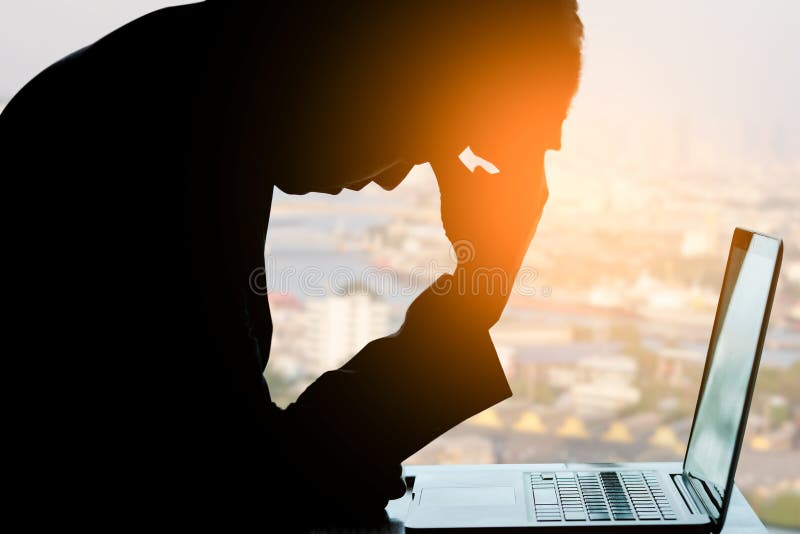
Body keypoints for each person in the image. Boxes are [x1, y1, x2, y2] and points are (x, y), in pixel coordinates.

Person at [1, 0, 582, 526]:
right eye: (433, 132)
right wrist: (474, 298)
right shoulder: (169, 142)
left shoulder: (189, 96)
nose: (403, 173)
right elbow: (256, 489)